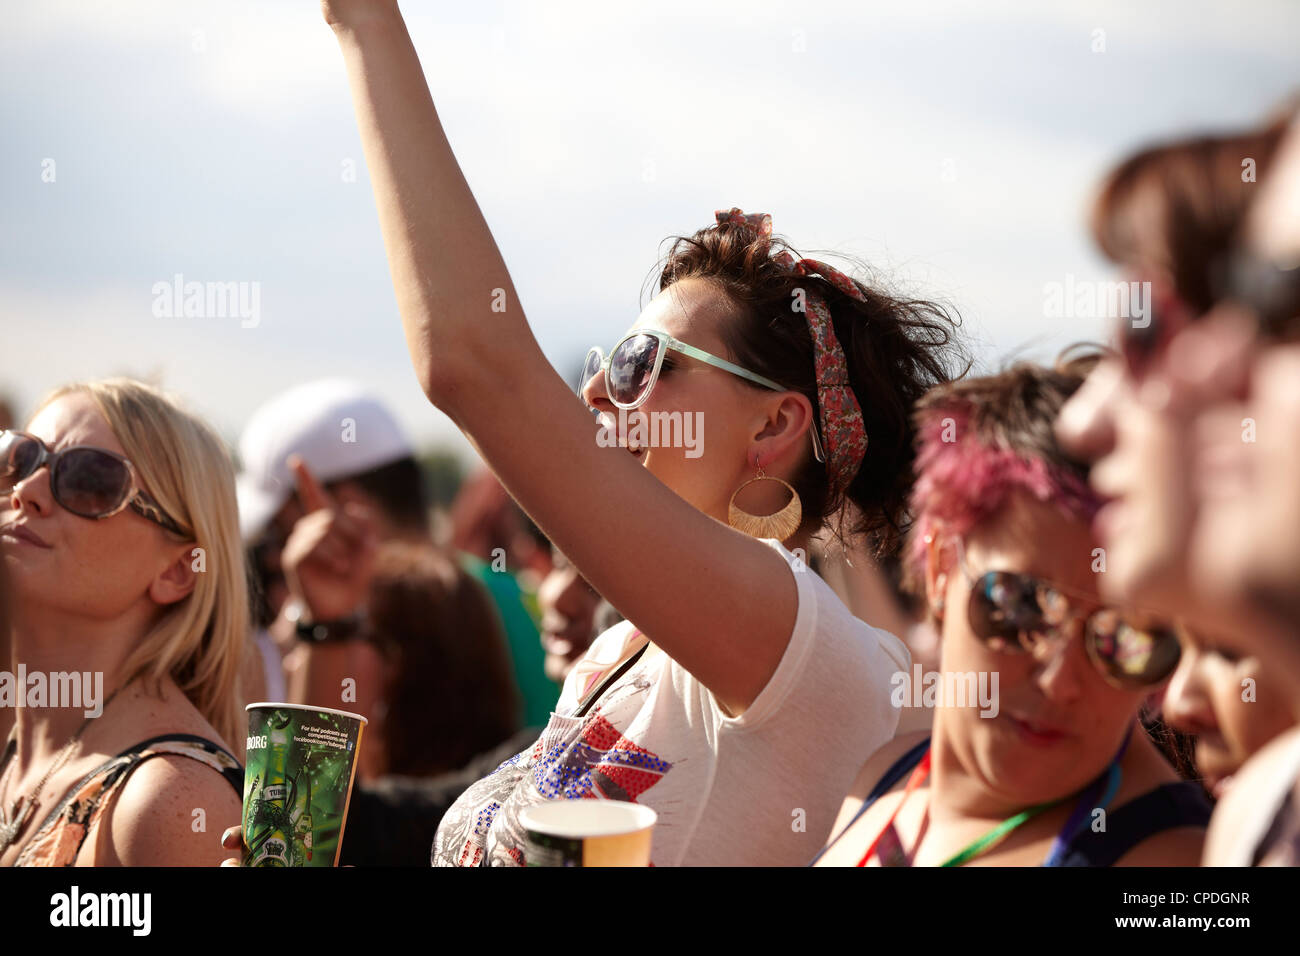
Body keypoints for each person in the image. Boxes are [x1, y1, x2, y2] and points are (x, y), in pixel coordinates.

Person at [320, 0, 966, 865]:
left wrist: (366, 25)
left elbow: (474, 367)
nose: (593, 387)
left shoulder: (797, 647)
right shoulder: (619, 652)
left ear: (773, 425)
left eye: (639, 363)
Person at [817, 356, 1209, 866]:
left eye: (1126, 637)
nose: (1061, 680)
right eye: (1023, 606)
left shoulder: (1176, 864)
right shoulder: (888, 777)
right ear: (941, 567)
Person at [1, 379, 246, 866]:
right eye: (17, 459)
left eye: (89, 481)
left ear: (178, 570)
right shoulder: (21, 747)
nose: (26, 493)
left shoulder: (166, 802)